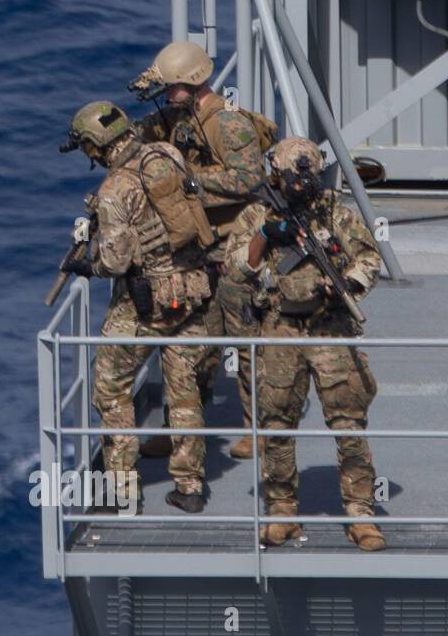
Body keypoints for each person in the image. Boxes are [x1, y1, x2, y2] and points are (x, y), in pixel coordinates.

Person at [226, 137, 387, 552]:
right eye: (292, 176)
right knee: (276, 424)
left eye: (307, 175)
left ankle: (360, 512)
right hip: (279, 327)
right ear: (276, 175)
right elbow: (237, 268)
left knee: (348, 423)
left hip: (328, 325)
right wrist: (266, 233)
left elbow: (369, 257)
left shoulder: (333, 210)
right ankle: (282, 513)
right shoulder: (258, 213)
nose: (301, 184)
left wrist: (346, 285)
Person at [60, 101, 214, 513]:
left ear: (95, 145)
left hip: (146, 305)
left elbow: (116, 262)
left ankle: (122, 490)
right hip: (193, 290)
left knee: (110, 391)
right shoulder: (167, 154)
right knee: (184, 393)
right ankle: (190, 486)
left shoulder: (114, 191)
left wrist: (86, 266)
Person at [131, 40, 276, 458]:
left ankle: (259, 429)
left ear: (193, 83)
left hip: (235, 244)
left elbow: (248, 179)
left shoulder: (228, 125)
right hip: (200, 246)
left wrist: (190, 180)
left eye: (172, 87)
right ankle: (180, 428)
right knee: (193, 342)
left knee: (247, 340)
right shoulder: (179, 119)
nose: (168, 95)